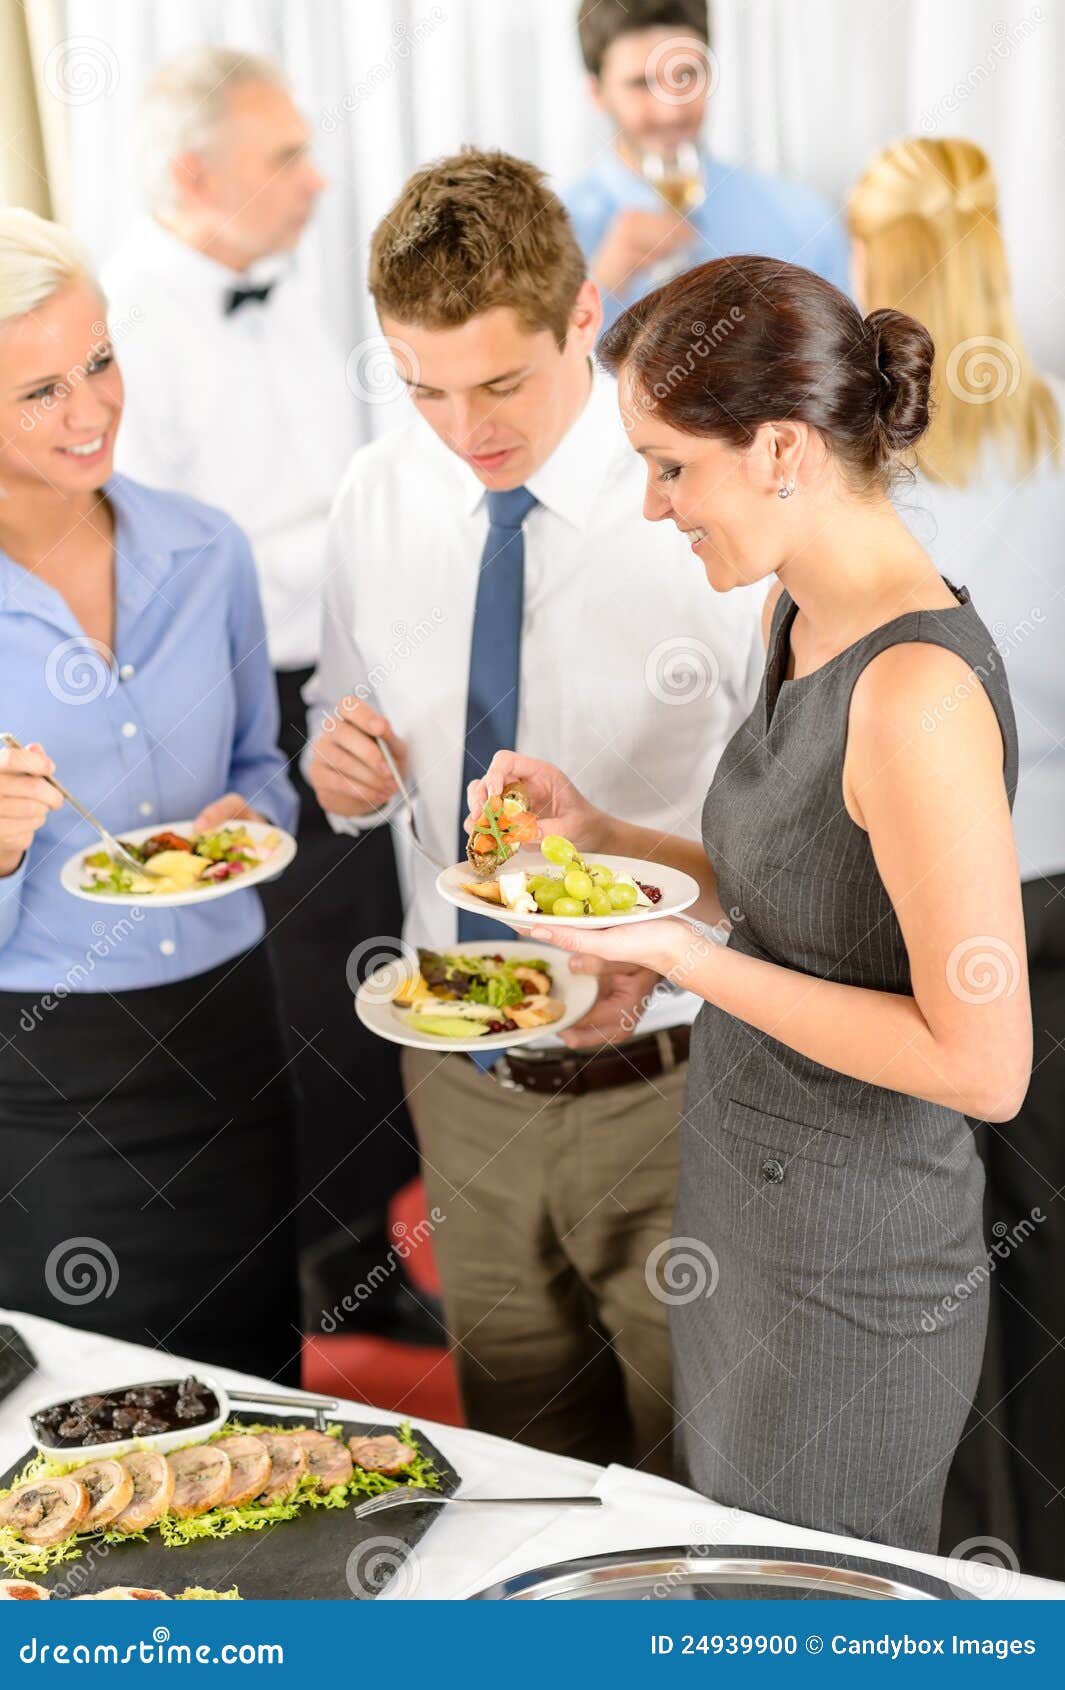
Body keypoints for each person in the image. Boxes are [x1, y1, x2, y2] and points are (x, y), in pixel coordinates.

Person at [468, 254, 1032, 1552]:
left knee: (797, 1618)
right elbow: (807, 891)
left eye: (671, 466)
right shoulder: (792, 606)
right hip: (744, 1208)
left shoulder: (915, 694)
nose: (657, 506)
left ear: (780, 449)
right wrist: (603, 834)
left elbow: (984, 1065)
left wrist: (677, 949)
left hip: (852, 1266)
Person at [305, 149, 763, 1474]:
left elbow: (789, 825)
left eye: (499, 384)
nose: (465, 429)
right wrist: (344, 776)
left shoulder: (700, 503)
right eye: (423, 389)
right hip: (462, 1074)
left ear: (583, 317)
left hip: (675, 1080)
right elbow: (353, 732)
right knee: (525, 1473)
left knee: (706, 1484)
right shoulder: (373, 498)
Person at [102, 47, 415, 1308]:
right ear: (193, 173)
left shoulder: (280, 293)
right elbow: (177, 554)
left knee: (370, 958)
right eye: (285, 156)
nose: (316, 181)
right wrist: (356, 541)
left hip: (334, 673)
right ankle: (301, 1266)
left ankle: (367, 1243)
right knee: (295, 986)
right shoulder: (123, 326)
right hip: (236, 698)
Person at [0, 208, 300, 1382]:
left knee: (262, 1392)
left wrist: (248, 824)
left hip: (229, 1031)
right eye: (39, 391)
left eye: (100, 361)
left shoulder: (209, 552)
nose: (91, 413)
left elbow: (260, 776)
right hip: (46, 1071)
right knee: (93, 1413)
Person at [850, 135, 1065, 1576]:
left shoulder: (873, 475)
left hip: (936, 913)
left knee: (928, 1266)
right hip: (1058, 897)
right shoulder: (1054, 429)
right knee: (1045, 1263)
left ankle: (945, 1567)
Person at [564, 0, 850, 333]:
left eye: (686, 75)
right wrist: (597, 292)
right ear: (597, 92)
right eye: (641, 84)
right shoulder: (549, 239)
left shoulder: (803, 219)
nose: (670, 111)